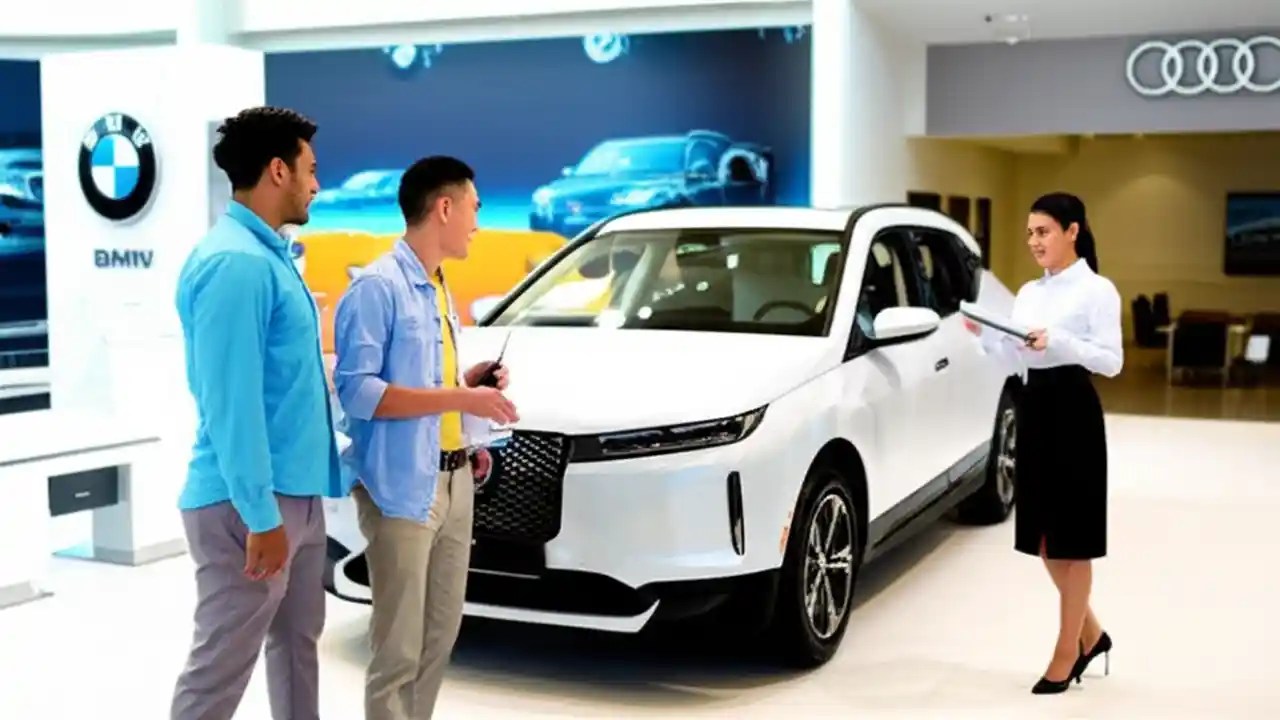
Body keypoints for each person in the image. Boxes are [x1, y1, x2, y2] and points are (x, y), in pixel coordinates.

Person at [170, 106, 344, 719]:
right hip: (251, 505)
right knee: (219, 671)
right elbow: (230, 403)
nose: (317, 185)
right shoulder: (236, 265)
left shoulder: (267, 256)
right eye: (311, 170)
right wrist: (260, 514)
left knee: (297, 647)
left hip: (294, 494)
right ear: (278, 171)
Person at [333, 155, 520, 720]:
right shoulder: (376, 287)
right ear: (444, 207)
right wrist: (463, 399)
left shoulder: (439, 287)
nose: (477, 223)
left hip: (456, 479)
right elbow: (359, 393)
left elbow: (419, 387)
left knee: (441, 634)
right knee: (398, 649)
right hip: (400, 493)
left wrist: (467, 384)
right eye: (473, 208)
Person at [965, 191, 1121, 695]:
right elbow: (1015, 360)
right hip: (1035, 409)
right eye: (1030, 232)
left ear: (1072, 231)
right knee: (1045, 539)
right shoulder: (1029, 292)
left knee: (1074, 541)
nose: (1034, 241)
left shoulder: (1098, 290)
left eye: (1044, 231)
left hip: (1074, 409)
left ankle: (1066, 649)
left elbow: (1111, 361)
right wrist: (987, 337)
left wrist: (1057, 342)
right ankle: (1092, 634)